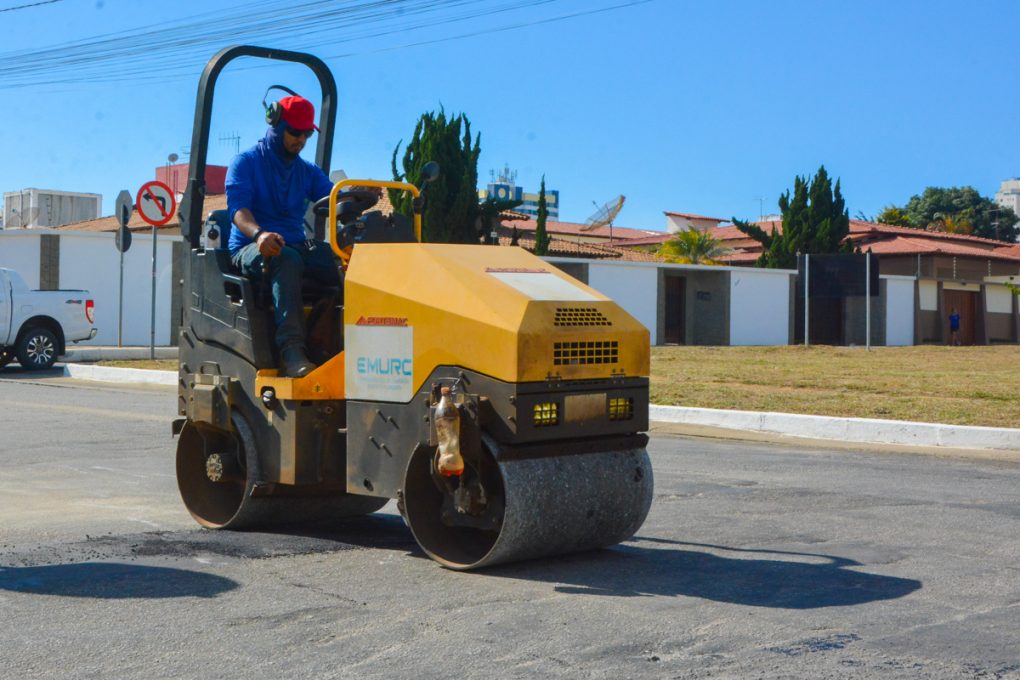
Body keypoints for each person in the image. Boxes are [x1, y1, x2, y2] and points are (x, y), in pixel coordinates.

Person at [226, 94, 336, 377]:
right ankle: (291, 351)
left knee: (340, 263)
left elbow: (333, 196)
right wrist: (260, 235)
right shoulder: (246, 162)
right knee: (286, 258)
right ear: (275, 124)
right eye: (295, 132)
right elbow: (238, 210)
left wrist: (356, 199)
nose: (300, 139)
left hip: (295, 245)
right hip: (252, 246)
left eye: (307, 134)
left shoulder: (307, 171)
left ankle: (331, 344)